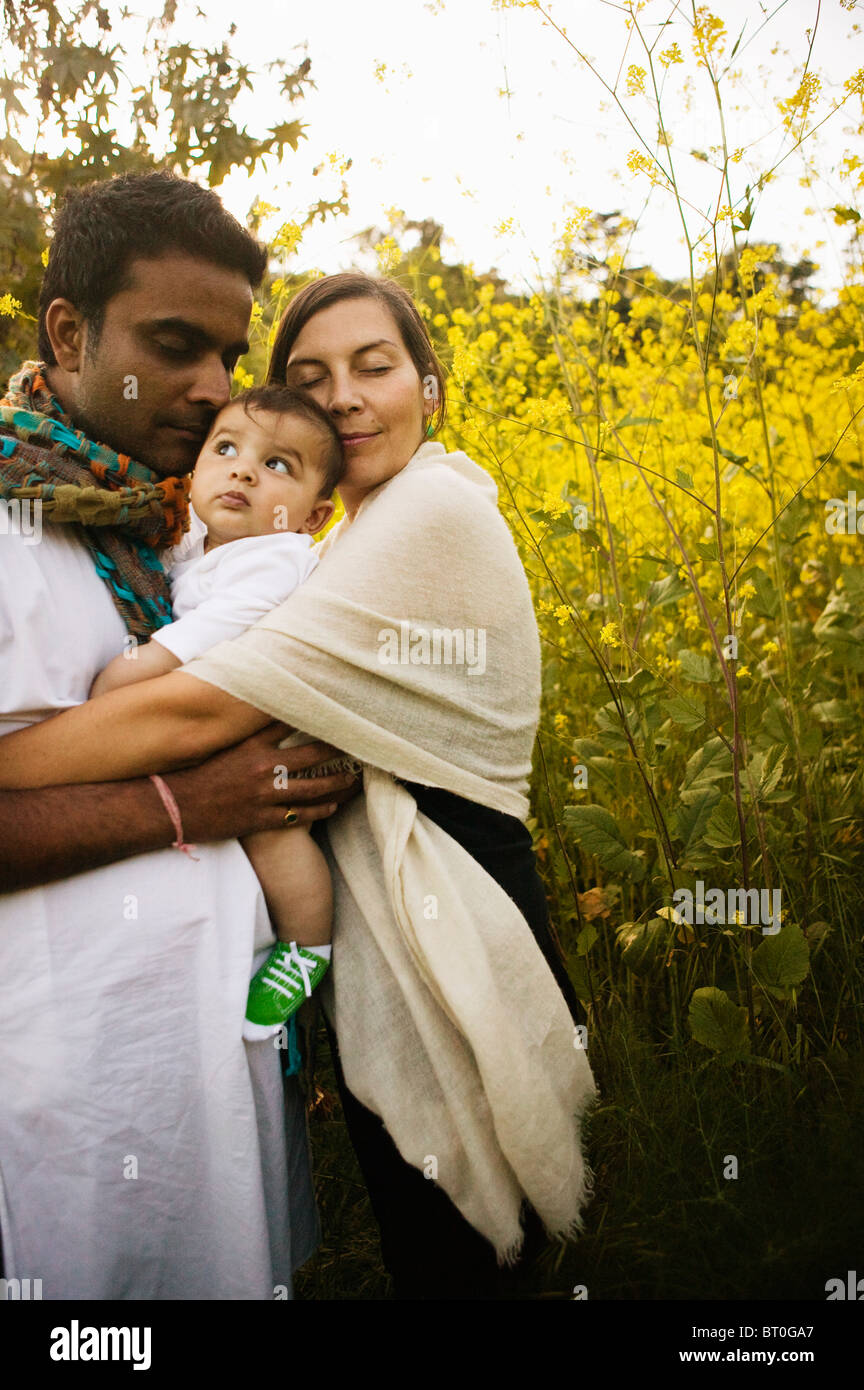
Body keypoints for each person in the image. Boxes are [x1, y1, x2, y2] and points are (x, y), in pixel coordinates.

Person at [0, 271, 598, 1300]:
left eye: (376, 367)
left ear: (431, 387)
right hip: (394, 936)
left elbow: (197, 711)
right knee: (432, 1247)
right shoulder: (339, 535)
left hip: (457, 922)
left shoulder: (429, 515)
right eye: (315, 378)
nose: (349, 397)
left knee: (467, 1258)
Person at [0, 174, 360, 1300]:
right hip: (70, 1092)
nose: (213, 390)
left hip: (201, 1064)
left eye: (228, 354)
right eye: (173, 345)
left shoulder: (172, 526)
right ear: (69, 333)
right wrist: (193, 804)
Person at [91, 383, 354, 1040]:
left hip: (275, 726)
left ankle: (306, 945)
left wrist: (133, 671)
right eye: (227, 448)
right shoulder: (196, 541)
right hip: (211, 712)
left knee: (274, 831)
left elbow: (210, 632)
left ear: (312, 517)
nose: (242, 469)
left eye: (277, 465)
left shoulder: (275, 557)